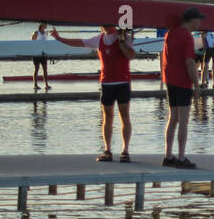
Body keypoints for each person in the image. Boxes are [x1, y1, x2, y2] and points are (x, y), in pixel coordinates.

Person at [52, 24, 136, 161]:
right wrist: (60, 39)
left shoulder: (125, 37)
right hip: (106, 83)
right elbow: (79, 42)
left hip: (122, 82)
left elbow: (130, 55)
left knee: (124, 116)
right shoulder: (98, 39)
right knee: (107, 117)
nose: (104, 25)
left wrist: (121, 42)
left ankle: (125, 151)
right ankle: (107, 150)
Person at [161, 8, 201, 168]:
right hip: (183, 82)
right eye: (199, 20)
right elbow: (190, 63)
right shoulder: (187, 37)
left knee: (173, 118)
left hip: (170, 80)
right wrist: (197, 84)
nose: (200, 23)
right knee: (183, 121)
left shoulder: (170, 33)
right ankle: (182, 157)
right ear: (192, 20)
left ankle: (168, 155)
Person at [31, 22, 52, 91]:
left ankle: (46, 84)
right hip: (36, 54)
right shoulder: (36, 33)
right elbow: (32, 42)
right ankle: (35, 85)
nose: (46, 25)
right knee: (36, 69)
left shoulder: (46, 33)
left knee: (45, 69)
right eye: (45, 24)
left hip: (44, 53)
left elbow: (46, 43)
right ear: (41, 26)